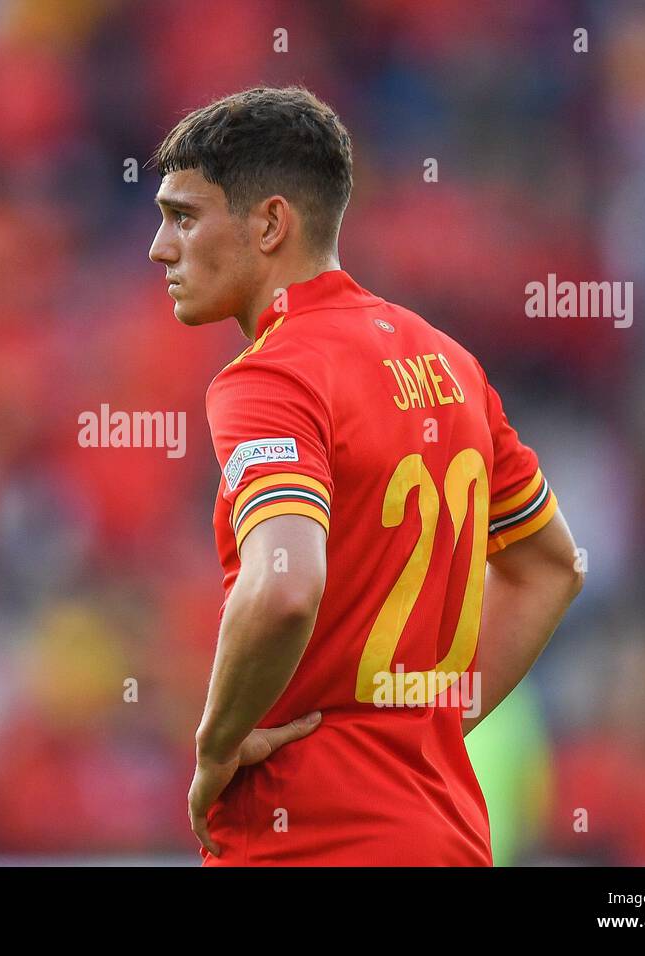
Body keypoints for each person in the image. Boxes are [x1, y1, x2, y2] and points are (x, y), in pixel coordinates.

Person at [148, 86, 585, 865]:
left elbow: (285, 587)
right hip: (446, 834)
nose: (160, 247)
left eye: (183, 216)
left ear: (271, 223)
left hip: (309, 839)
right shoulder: (450, 363)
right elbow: (551, 567)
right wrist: (421, 718)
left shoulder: (271, 377)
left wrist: (216, 747)